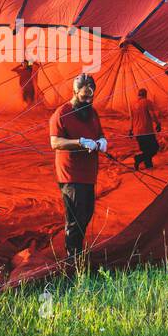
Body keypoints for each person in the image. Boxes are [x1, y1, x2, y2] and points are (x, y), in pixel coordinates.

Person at [48, 73, 107, 264]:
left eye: (91, 96)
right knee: (75, 217)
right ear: (75, 91)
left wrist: (102, 141)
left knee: (87, 212)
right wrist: (79, 143)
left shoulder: (92, 112)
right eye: (84, 96)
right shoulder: (61, 113)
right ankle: (72, 258)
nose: (88, 99)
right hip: (70, 174)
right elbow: (55, 142)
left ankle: (77, 251)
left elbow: (99, 133)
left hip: (89, 174)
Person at [129, 87, 161, 170]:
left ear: (138, 95)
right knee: (154, 148)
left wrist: (130, 130)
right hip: (147, 130)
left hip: (137, 132)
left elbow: (131, 118)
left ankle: (149, 166)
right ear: (145, 95)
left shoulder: (133, 104)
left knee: (146, 149)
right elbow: (152, 114)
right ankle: (139, 158)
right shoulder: (147, 102)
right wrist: (158, 124)